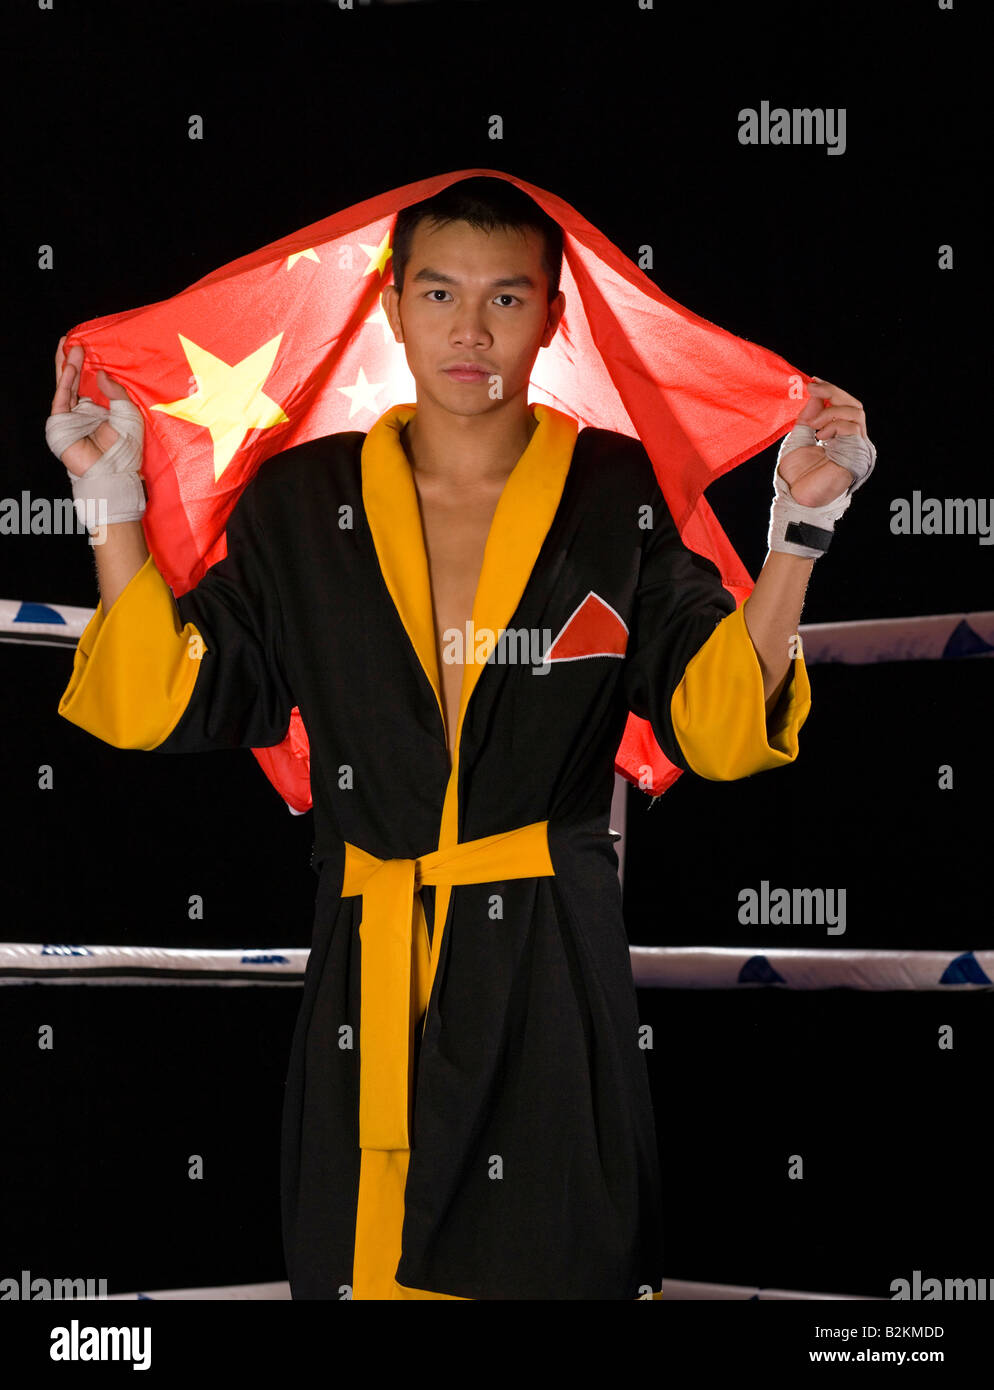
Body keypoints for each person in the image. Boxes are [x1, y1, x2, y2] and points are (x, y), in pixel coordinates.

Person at [47, 177, 875, 1300]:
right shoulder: (301, 502)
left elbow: (720, 729)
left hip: (552, 969)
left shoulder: (612, 494)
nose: (469, 331)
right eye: (438, 293)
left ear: (552, 318)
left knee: (561, 1264)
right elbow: (160, 699)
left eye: (505, 298)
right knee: (359, 1271)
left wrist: (799, 533)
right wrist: (109, 501)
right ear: (392, 308)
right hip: (367, 979)